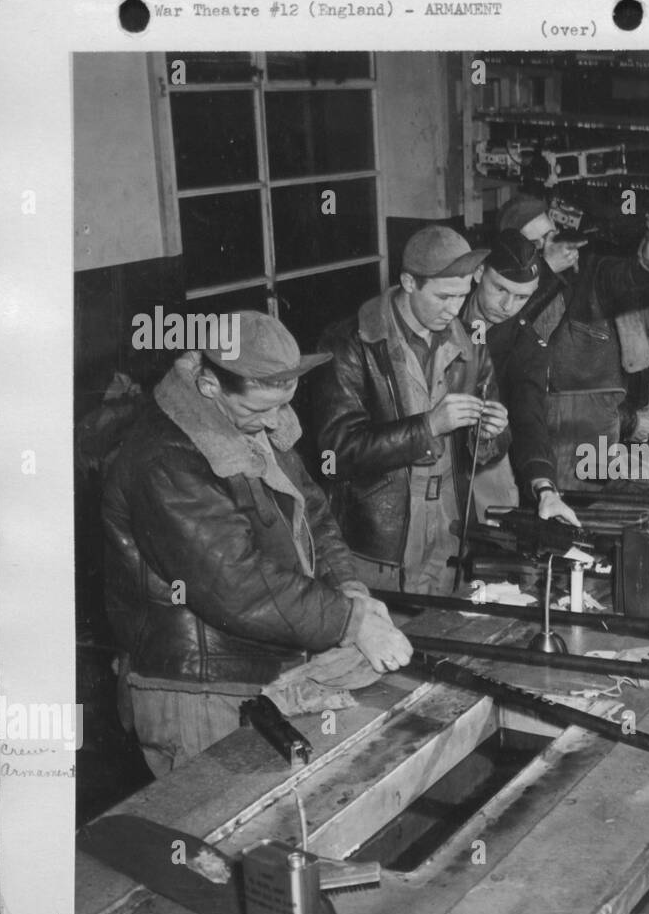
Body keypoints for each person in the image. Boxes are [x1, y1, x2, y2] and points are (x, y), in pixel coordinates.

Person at [102, 314, 413, 777]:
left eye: (283, 404)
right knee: (223, 837)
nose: (273, 422)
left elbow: (313, 513)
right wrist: (348, 623)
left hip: (264, 668)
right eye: (259, 410)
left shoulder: (253, 421)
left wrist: (350, 591)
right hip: (202, 690)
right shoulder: (165, 458)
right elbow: (233, 583)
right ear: (209, 385)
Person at [314, 226, 510, 594]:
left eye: (462, 296)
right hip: (381, 542)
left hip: (452, 528)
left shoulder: (470, 339)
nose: (454, 310)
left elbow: (490, 449)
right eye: (443, 297)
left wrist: (490, 433)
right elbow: (335, 453)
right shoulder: (351, 344)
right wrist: (429, 426)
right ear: (408, 282)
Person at [496, 195, 649, 488]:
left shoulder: (592, 275)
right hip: (533, 423)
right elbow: (506, 333)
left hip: (585, 426)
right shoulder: (504, 291)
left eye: (551, 234)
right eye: (538, 242)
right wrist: (545, 270)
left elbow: (635, 278)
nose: (553, 244)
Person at [460, 229, 581, 526]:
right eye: (500, 289)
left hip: (484, 458)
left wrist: (545, 487)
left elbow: (529, 417)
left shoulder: (526, 345)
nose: (508, 306)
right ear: (478, 273)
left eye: (521, 297)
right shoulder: (442, 312)